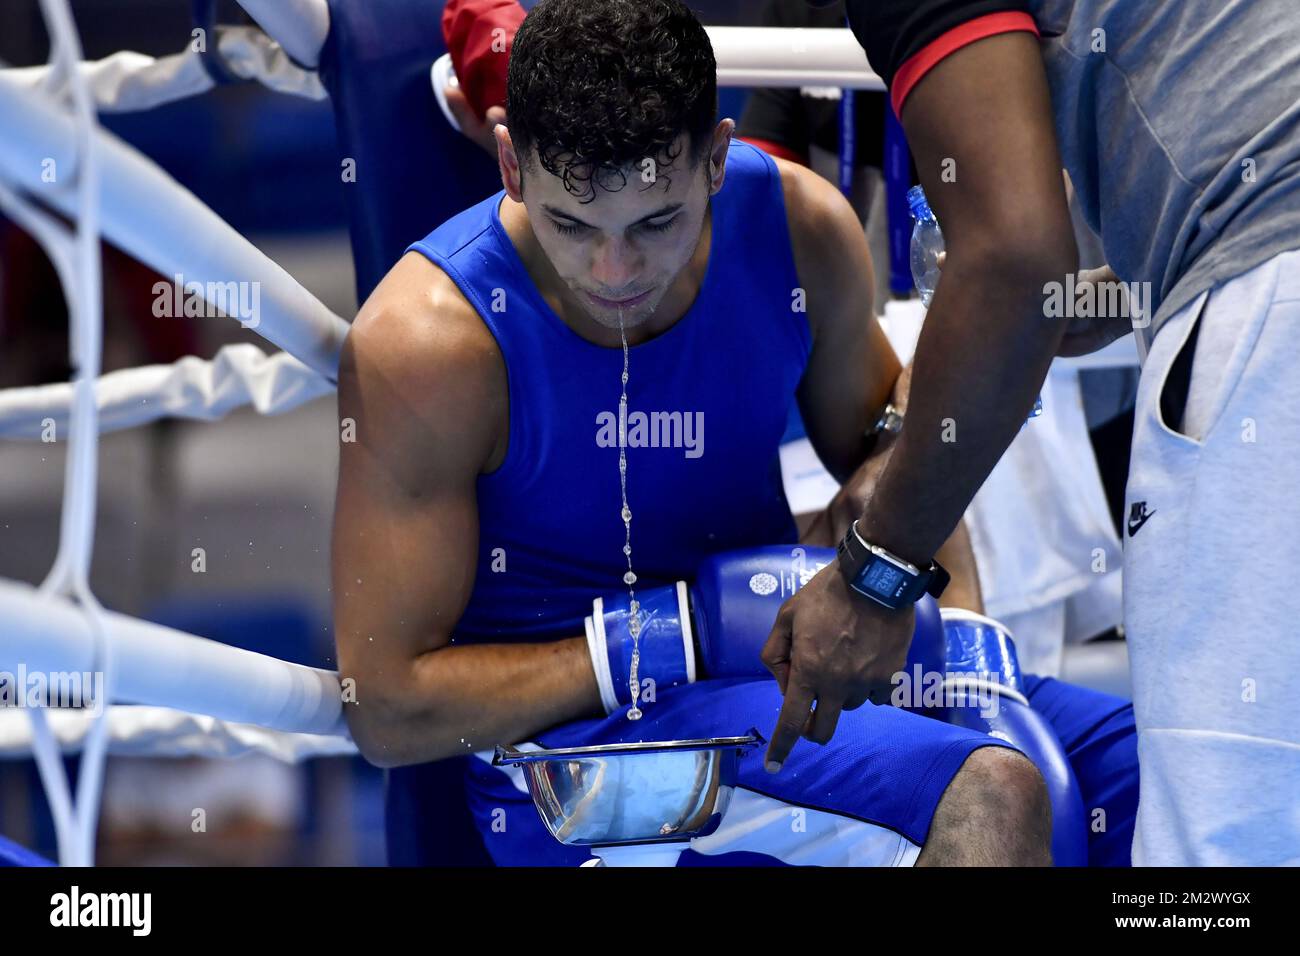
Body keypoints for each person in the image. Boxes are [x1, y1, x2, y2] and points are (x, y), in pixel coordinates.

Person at [333, 0, 1136, 866]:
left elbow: (895, 455)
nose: (615, 271)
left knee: (1166, 765)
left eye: (654, 222)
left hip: (777, 678)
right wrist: (672, 638)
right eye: (572, 225)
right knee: (990, 793)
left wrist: (967, 648)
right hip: (575, 760)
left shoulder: (796, 228)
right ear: (511, 165)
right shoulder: (428, 343)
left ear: (714, 159)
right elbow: (386, 707)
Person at [772, 0, 1300, 866]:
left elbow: (1014, 258)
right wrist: (1143, 278)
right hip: (1254, 277)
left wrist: (875, 575)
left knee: (1224, 853)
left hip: (1268, 299)